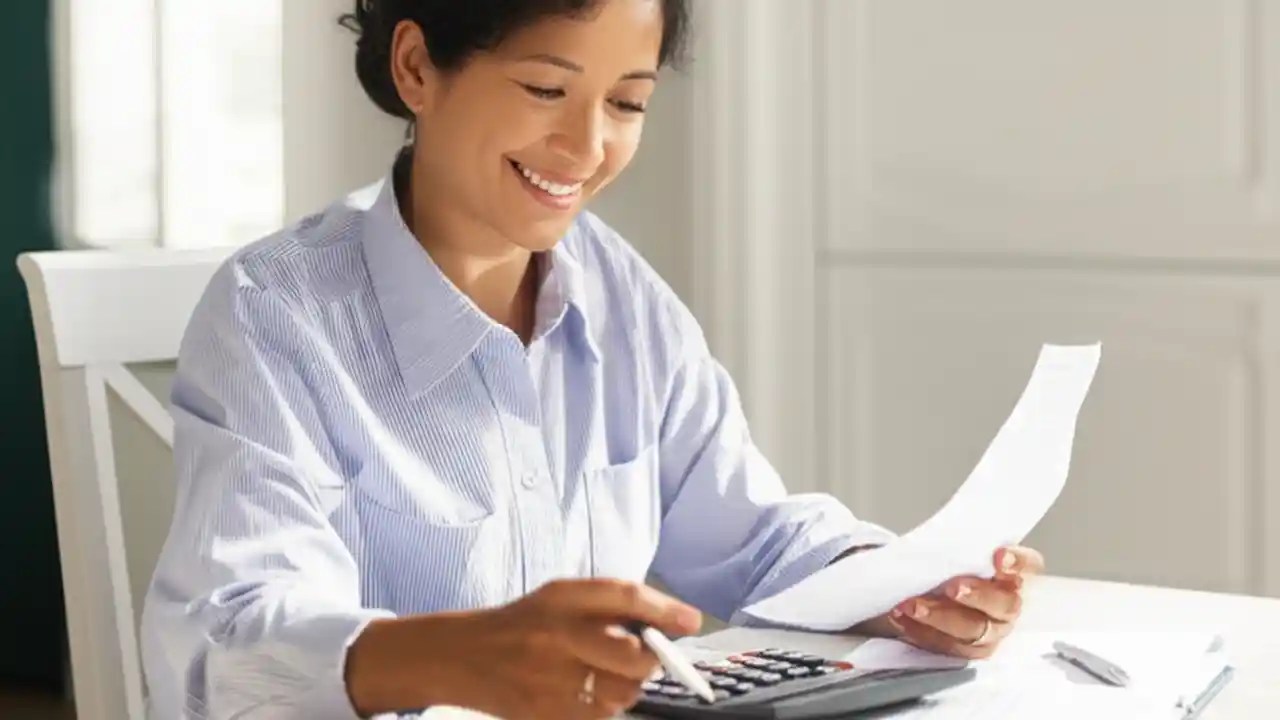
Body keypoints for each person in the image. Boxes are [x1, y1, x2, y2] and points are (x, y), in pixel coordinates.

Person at [140, 1, 1045, 718]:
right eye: (544, 89)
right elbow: (228, 645)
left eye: (627, 103)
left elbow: (750, 532)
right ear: (417, 67)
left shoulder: (620, 296)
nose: (587, 147)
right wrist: (465, 657)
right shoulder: (277, 316)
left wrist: (910, 587)